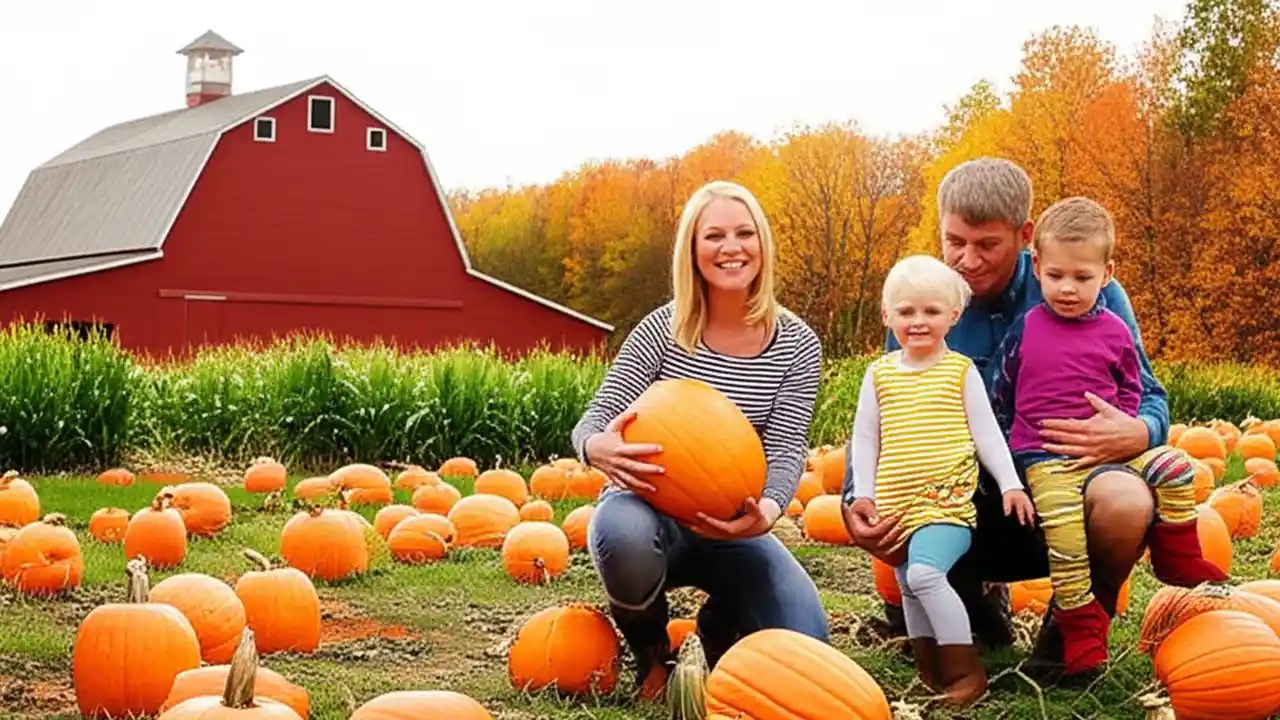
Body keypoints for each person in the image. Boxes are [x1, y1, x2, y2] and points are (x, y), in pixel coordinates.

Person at [841, 157, 1171, 682]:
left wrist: (1141, 430)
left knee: (1126, 503)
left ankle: (1066, 642)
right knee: (915, 530)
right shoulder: (923, 301)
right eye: (954, 241)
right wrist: (857, 496)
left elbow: (1151, 398)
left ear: (1024, 235)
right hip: (952, 502)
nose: (966, 260)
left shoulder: (1089, 289)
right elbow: (883, 413)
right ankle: (970, 613)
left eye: (986, 245)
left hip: (1059, 493)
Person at [570, 179, 827, 701]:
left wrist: (770, 509)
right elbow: (593, 421)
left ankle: (721, 624)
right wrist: (595, 448)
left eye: (743, 233)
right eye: (714, 236)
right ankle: (651, 654)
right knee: (621, 536)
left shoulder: (797, 343)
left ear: (763, 245)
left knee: (808, 642)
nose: (731, 248)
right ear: (692, 249)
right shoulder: (661, 331)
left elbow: (786, 444)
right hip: (646, 508)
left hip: (733, 520)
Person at [989, 196, 1226, 675]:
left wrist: (1133, 431)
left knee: (1178, 466)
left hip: (1110, 456)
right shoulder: (1026, 330)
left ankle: (1177, 556)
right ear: (1037, 267)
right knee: (1066, 533)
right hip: (1044, 455)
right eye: (1056, 276)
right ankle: (1077, 627)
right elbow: (1001, 395)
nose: (1068, 289)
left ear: (1108, 273)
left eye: (1082, 277)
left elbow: (1140, 392)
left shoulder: (1116, 331)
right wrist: (1010, 461)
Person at [847, 254, 1036, 705]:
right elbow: (865, 441)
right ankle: (931, 673)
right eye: (906, 311)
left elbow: (987, 435)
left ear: (953, 316)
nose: (918, 321)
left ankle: (966, 672)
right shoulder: (879, 375)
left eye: (931, 311)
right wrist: (863, 496)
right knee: (910, 585)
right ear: (886, 314)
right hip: (897, 505)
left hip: (945, 503)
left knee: (929, 574)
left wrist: (1010, 483)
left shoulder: (959, 372)